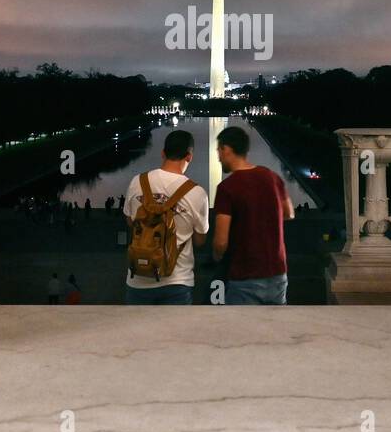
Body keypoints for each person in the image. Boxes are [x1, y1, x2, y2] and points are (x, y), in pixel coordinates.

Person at [123, 129, 208, 305]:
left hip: (138, 277)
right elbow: (200, 240)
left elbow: (131, 221)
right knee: (174, 333)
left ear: (163, 153)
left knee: (136, 333)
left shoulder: (138, 181)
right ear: (189, 156)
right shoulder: (197, 192)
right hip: (177, 281)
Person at [212, 126, 293, 305]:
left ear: (226, 149)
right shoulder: (272, 177)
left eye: (218, 150)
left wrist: (217, 257)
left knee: (242, 332)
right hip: (277, 273)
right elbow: (289, 213)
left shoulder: (227, 188)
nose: (218, 157)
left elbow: (220, 242)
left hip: (245, 276)